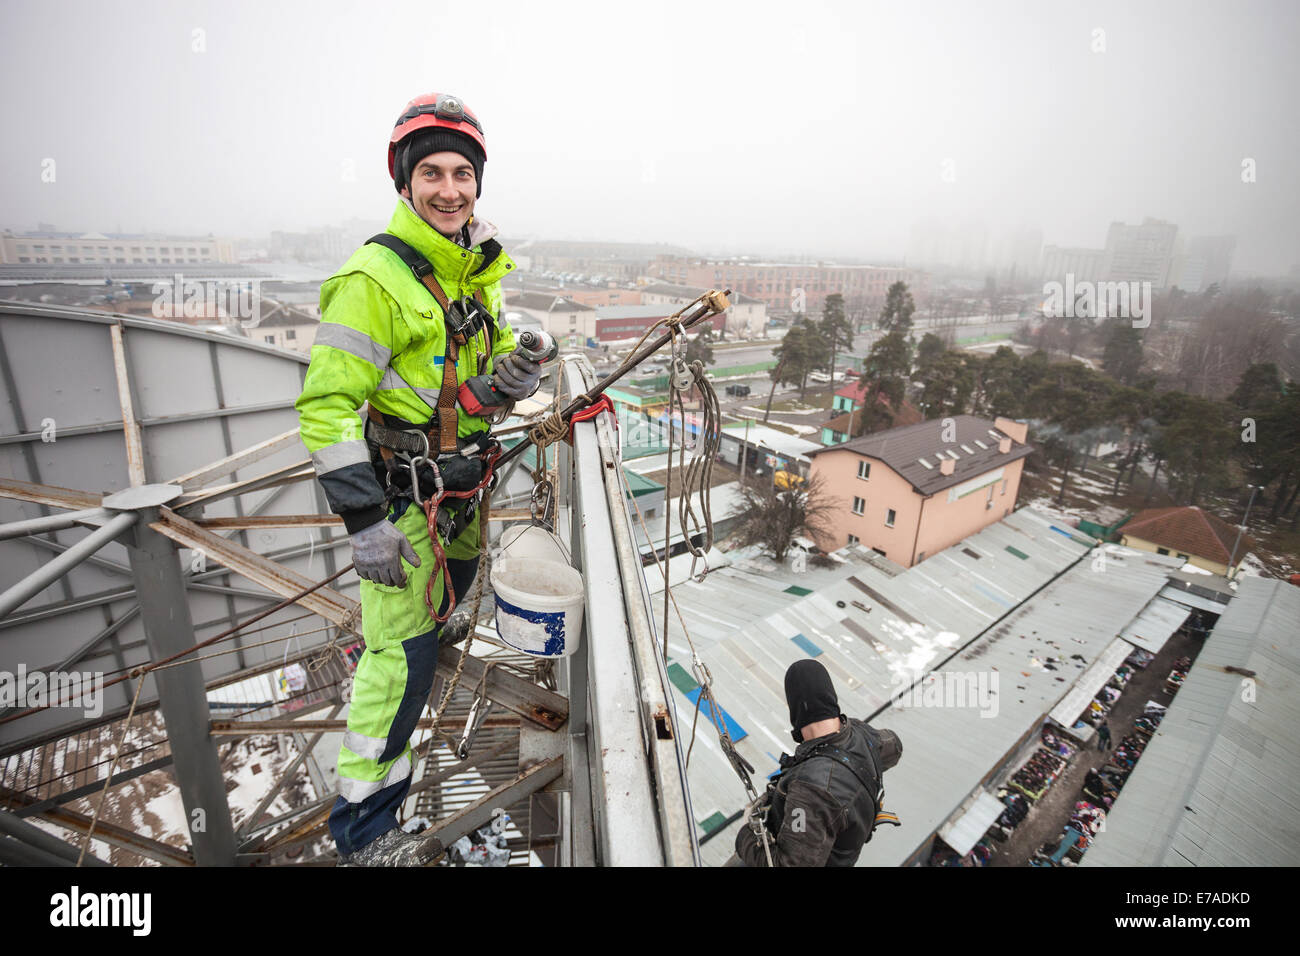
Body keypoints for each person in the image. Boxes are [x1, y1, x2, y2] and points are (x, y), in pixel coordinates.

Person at [296, 92, 542, 867]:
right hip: (404, 504)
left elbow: (464, 381)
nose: (448, 188)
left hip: (461, 489)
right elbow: (327, 406)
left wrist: (508, 378)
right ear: (405, 182)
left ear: (478, 181)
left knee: (447, 600)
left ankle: (429, 631)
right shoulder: (373, 277)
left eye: (461, 172)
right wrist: (364, 520)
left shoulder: (473, 268)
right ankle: (362, 831)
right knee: (395, 662)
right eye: (430, 172)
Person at [732, 660, 902, 867]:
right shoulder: (863, 734)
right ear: (830, 696)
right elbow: (895, 746)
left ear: (793, 709)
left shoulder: (810, 789)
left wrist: (745, 834)